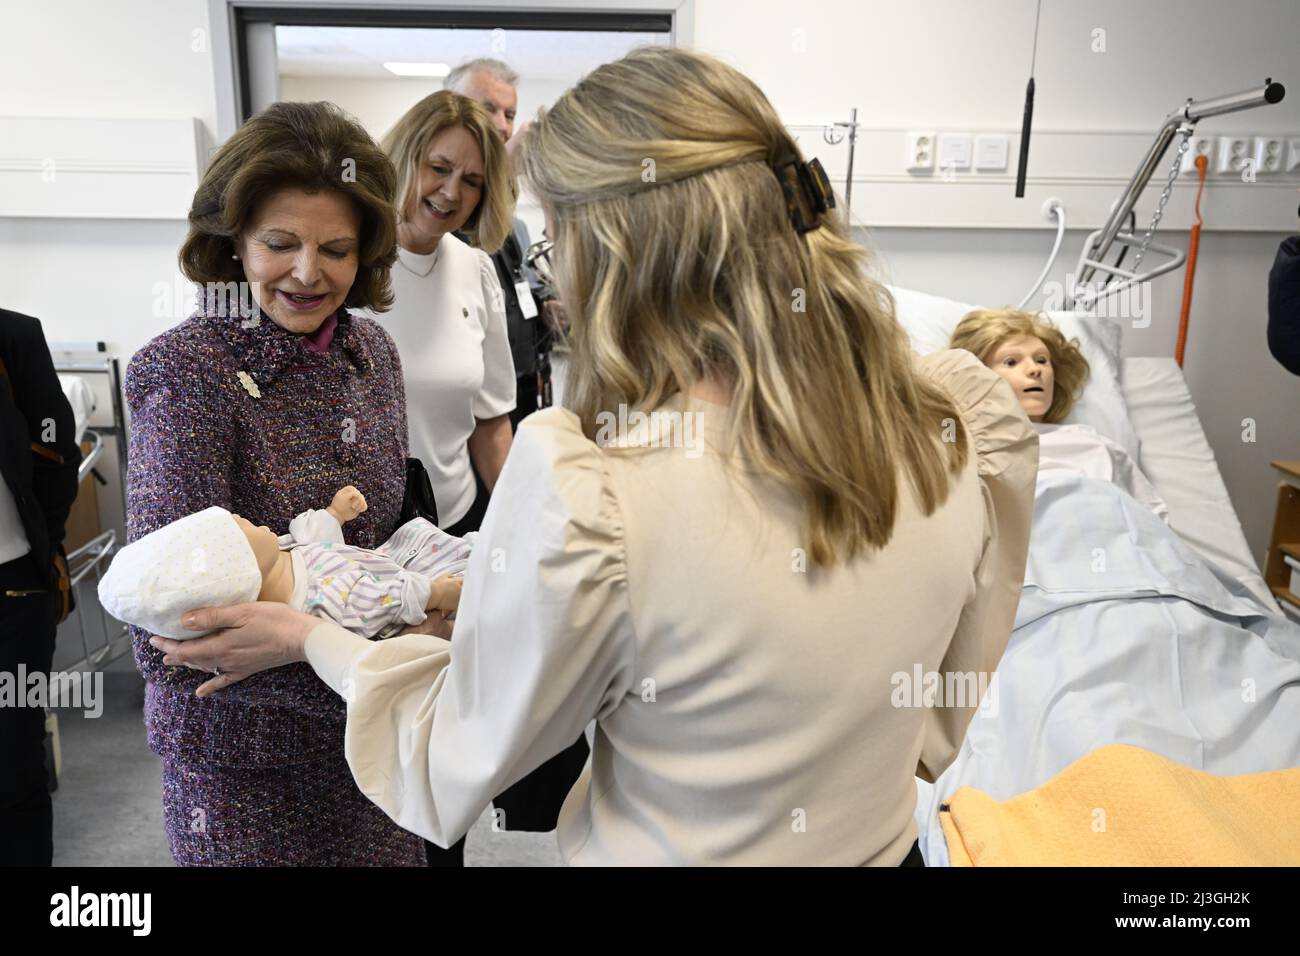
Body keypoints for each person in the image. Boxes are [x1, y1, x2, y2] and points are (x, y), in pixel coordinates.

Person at [150, 47, 1039, 866]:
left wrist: (317, 636)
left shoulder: (601, 492)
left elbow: (444, 760)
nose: (557, 276)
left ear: (617, 252)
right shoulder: (958, 423)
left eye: (557, 239)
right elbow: (936, 720)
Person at [125, 100, 426, 865]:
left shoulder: (373, 355)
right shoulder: (188, 371)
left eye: (336, 249)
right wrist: (342, 647)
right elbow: (160, 632)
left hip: (381, 737)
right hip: (250, 771)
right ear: (233, 245)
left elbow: (379, 545)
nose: (307, 273)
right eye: (280, 244)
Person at [950, 307, 1168, 519]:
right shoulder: (964, 450)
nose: (1036, 370)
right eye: (1012, 362)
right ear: (976, 376)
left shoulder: (1096, 446)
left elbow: (1155, 526)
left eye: (1042, 360)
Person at [0, 308, 80, 866]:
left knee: (14, 766)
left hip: (13, 587)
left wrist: (45, 542)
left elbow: (56, 450)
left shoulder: (12, 336)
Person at [445, 58, 557, 429]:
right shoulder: (431, 197)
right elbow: (460, 232)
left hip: (521, 383)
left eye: (510, 113)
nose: (502, 125)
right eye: (487, 108)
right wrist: (505, 170)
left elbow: (519, 289)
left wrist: (548, 308)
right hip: (467, 398)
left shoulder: (517, 227)